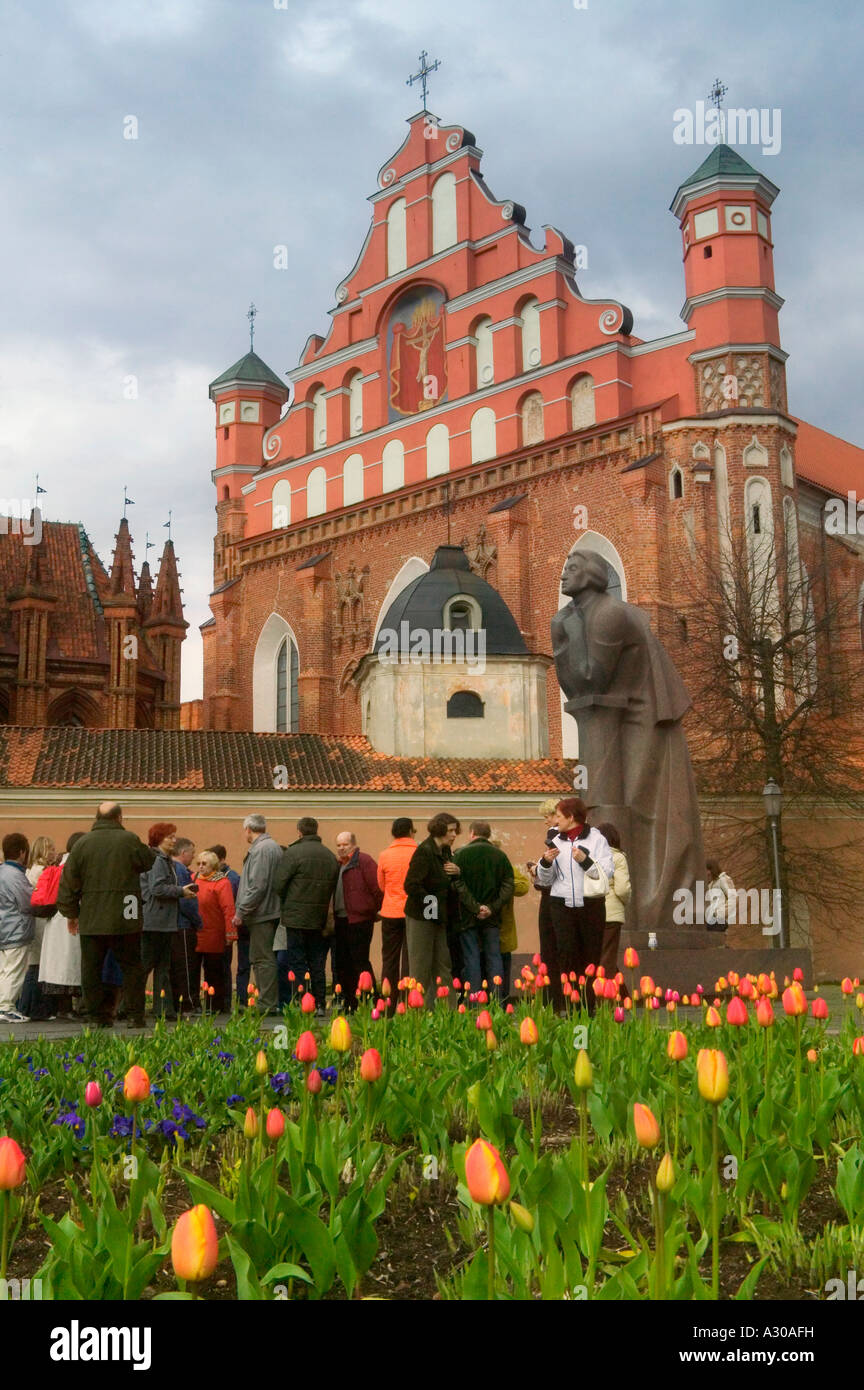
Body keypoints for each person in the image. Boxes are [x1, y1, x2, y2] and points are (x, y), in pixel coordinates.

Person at [56, 802, 156, 1029]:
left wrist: (71, 913)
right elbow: (147, 861)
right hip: (127, 911)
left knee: (91, 968)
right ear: (119, 817)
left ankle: (94, 1017)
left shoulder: (82, 844)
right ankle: (134, 1016)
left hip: (92, 914)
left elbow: (68, 882)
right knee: (132, 966)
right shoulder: (129, 840)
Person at [535, 797, 614, 1013]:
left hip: (590, 905)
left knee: (589, 960)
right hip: (561, 906)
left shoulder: (596, 839)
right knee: (566, 957)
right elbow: (546, 880)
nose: (555, 821)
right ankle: (569, 1007)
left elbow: (606, 873)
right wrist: (545, 863)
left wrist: (584, 860)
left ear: (571, 818)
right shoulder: (556, 841)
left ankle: (587, 1009)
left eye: (559, 816)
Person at [404, 813, 474, 1008]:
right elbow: (411, 885)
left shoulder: (444, 851)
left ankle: (449, 1012)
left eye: (455, 830)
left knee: (443, 964)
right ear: (440, 830)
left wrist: (457, 873)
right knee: (421, 966)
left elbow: (443, 884)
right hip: (422, 917)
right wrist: (432, 909)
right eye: (450, 830)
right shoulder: (424, 852)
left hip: (438, 917)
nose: (454, 835)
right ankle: (417, 1013)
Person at [273, 818, 339, 1016]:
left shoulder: (293, 853)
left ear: (299, 832)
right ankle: (319, 1003)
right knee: (317, 963)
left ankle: (304, 1002)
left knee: (298, 962)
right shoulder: (329, 856)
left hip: (295, 919)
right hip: (319, 919)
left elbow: (278, 884)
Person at [141, 823, 197, 1020]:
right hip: (155, 920)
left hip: (162, 920)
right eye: (170, 837)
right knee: (148, 966)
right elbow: (157, 888)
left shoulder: (164, 860)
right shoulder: (157, 861)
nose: (174, 840)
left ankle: (164, 1010)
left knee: (162, 967)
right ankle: (133, 1007)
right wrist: (181, 891)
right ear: (159, 839)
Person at [452, 822, 513, 999]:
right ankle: (497, 1002)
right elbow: (508, 885)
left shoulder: (460, 854)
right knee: (494, 958)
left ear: (472, 833)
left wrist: (474, 906)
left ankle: (474, 1002)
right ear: (488, 834)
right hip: (492, 918)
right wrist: (491, 908)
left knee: (471, 959)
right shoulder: (500, 856)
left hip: (466, 916)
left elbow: (457, 883)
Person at [234, 814, 287, 1015]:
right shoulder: (270, 847)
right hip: (267, 910)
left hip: (262, 913)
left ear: (248, 829)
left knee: (262, 958)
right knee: (264, 958)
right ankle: (268, 1002)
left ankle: (266, 1004)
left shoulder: (262, 849)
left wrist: (241, 910)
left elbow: (257, 885)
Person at [0, 833, 56, 1024]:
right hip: (15, 928)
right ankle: (6, 1007)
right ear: (22, 852)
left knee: (5, 969)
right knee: (14, 970)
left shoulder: (2, 871)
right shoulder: (15, 875)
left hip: (4, 927)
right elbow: (28, 902)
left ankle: (4, 1005)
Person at [332, 831, 382, 1012]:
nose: (341, 848)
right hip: (341, 919)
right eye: (338, 845)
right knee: (343, 963)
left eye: (344, 844)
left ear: (353, 844)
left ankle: (371, 1000)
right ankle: (351, 1001)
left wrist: (375, 910)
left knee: (359, 961)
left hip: (360, 919)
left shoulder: (364, 861)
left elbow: (377, 888)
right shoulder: (339, 865)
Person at [38, 831, 86, 1019]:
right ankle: (67, 1009)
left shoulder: (56, 864)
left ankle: (63, 1007)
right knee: (70, 962)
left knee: (60, 963)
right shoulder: (74, 867)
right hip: (70, 918)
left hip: (55, 919)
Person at [377, 817, 417, 1014]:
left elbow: (381, 885)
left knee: (389, 959)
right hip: (413, 912)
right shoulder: (418, 853)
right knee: (410, 959)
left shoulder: (385, 855)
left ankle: (388, 1003)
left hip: (390, 911)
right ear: (411, 831)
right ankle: (409, 1002)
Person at [526, 799, 563, 1008]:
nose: (546, 822)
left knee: (550, 949)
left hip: (552, 901)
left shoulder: (554, 836)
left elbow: (550, 874)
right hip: (561, 898)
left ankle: (552, 999)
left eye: (547, 816)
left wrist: (537, 870)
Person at [193, 851, 237, 1011]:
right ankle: (194, 1005)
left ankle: (215, 1006)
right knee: (193, 971)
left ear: (213, 865)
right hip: (196, 933)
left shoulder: (222, 883)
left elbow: (228, 909)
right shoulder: (193, 879)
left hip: (213, 934)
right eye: (198, 863)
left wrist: (230, 933)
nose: (200, 867)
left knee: (213, 973)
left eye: (204, 864)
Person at [489, 840, 531, 1001]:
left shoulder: (507, 869)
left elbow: (523, 886)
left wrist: (504, 884)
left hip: (503, 930)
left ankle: (502, 1001)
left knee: (503, 967)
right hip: (480, 930)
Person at [21, 836, 57, 1020]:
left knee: (33, 966)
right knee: (37, 967)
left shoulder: (31, 871)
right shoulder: (42, 871)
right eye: (49, 848)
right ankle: (34, 1008)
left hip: (34, 922)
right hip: (41, 923)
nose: (53, 851)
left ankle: (26, 1006)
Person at [169, 837, 202, 1016]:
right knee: (186, 968)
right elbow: (187, 900)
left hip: (170, 924)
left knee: (173, 968)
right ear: (183, 853)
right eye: (192, 853)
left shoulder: (167, 866)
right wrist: (198, 921)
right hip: (183, 925)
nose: (193, 857)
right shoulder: (180, 869)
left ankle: (174, 1004)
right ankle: (187, 1005)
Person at [595, 822, 632, 980]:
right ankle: (606, 997)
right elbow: (622, 888)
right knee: (608, 957)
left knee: (595, 956)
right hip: (611, 913)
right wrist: (624, 902)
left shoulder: (590, 858)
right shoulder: (618, 857)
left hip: (592, 911)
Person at [208, 843, 243, 1005]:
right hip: (215, 929)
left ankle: (226, 1001)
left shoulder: (231, 878)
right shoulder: (214, 877)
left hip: (225, 928)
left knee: (224, 966)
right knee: (216, 967)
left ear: (221, 859)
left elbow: (231, 905)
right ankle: (218, 1000)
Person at [705, 859, 735, 931]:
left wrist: (720, 913)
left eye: (707, 871)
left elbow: (733, 898)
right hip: (711, 919)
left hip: (720, 920)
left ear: (712, 870)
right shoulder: (711, 884)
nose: (705, 874)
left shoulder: (723, 880)